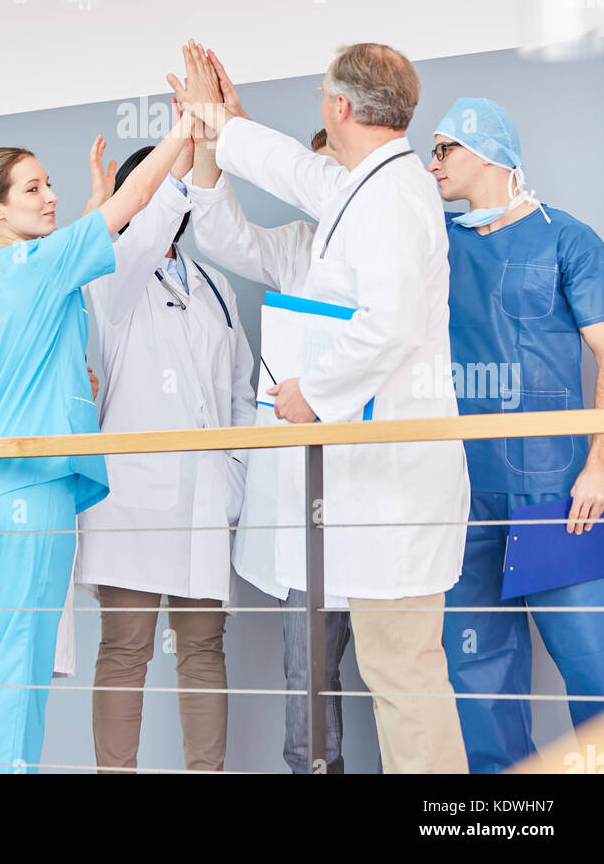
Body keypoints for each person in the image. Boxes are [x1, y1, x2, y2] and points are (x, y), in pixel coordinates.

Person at [169, 40, 470, 774]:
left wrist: (313, 394)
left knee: (404, 676)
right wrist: (223, 127)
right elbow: (299, 174)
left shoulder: (391, 194)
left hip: (390, 492)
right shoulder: (372, 187)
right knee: (394, 675)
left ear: (340, 107)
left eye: (320, 100)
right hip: (365, 492)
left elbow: (390, 325)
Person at [0, 112, 195, 773]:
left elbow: (66, 280)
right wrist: (188, 128)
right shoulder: (30, 267)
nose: (47, 196)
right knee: (22, 650)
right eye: (32, 189)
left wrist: (87, 208)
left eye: (49, 184)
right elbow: (134, 202)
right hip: (34, 486)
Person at [75, 122, 256, 774]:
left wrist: (235, 474)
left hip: (205, 498)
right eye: (156, 187)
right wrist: (183, 154)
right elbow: (142, 233)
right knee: (126, 647)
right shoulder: (111, 274)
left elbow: (242, 390)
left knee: (205, 649)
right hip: (132, 499)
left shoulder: (215, 288)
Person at [430, 97, 604, 773]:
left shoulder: (568, 239)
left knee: (590, 663)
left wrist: (599, 465)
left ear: (488, 153)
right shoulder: (433, 244)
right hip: (460, 492)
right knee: (477, 677)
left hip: (553, 496)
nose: (433, 162)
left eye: (445, 149)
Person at [185, 98, 356, 774]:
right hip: (308, 509)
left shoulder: (404, 247)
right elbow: (225, 239)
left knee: (405, 672)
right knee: (307, 679)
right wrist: (206, 141)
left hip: (385, 494)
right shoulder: (297, 246)